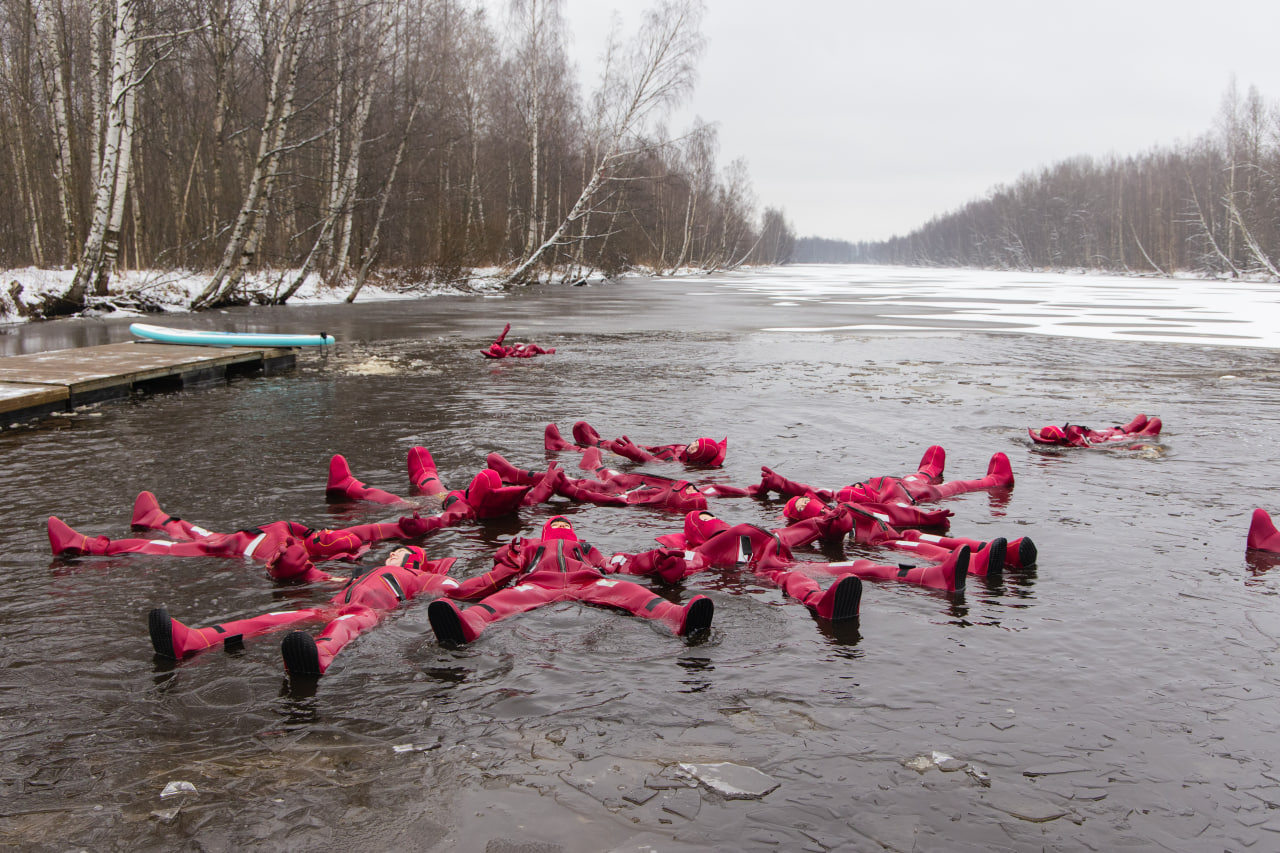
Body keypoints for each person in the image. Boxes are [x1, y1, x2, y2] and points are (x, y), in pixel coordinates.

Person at [148, 546, 459, 677]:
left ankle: (319, 656)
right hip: (337, 604)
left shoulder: (418, 577)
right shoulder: (366, 571)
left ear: (413, 560)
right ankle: (193, 639)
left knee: (344, 627)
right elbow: (326, 579)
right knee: (273, 619)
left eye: (398, 552)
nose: (391, 554)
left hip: (372, 611)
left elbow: (454, 586)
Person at [425, 516, 714, 645]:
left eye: (567, 524)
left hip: (587, 582)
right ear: (546, 532)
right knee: (498, 601)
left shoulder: (586, 548)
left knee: (631, 591)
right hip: (538, 584)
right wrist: (461, 592)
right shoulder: (526, 546)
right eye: (557, 524)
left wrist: (656, 560)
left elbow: (616, 565)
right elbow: (499, 577)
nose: (562, 526)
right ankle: (468, 625)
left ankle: (678, 616)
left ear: (574, 533)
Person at [46, 492, 439, 582]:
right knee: (199, 532)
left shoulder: (344, 563)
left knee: (179, 544)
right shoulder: (347, 546)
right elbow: (368, 532)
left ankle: (83, 546)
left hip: (241, 548)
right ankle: (157, 516)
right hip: (248, 538)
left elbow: (320, 577)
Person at [545, 420, 727, 466]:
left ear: (698, 457)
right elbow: (657, 450)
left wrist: (635, 454)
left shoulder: (678, 464)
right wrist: (641, 448)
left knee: (606, 454)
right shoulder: (681, 449)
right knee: (613, 445)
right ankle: (594, 441)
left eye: (696, 448)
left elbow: (654, 463)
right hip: (639, 452)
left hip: (633, 461)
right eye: (695, 442)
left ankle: (562, 446)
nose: (691, 445)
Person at [1028, 413, 1162, 446]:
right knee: (1153, 424)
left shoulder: (1072, 434)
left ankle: (1130, 428)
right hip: (1108, 439)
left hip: (1105, 433)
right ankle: (1141, 432)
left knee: (1140, 419)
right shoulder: (1076, 443)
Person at [480, 323, 555, 358]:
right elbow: (523, 355)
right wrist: (530, 354)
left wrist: (505, 332)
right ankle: (547, 353)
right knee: (533, 346)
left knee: (529, 346)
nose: (499, 346)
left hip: (519, 350)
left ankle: (546, 353)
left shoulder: (500, 351)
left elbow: (498, 342)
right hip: (523, 352)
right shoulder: (508, 355)